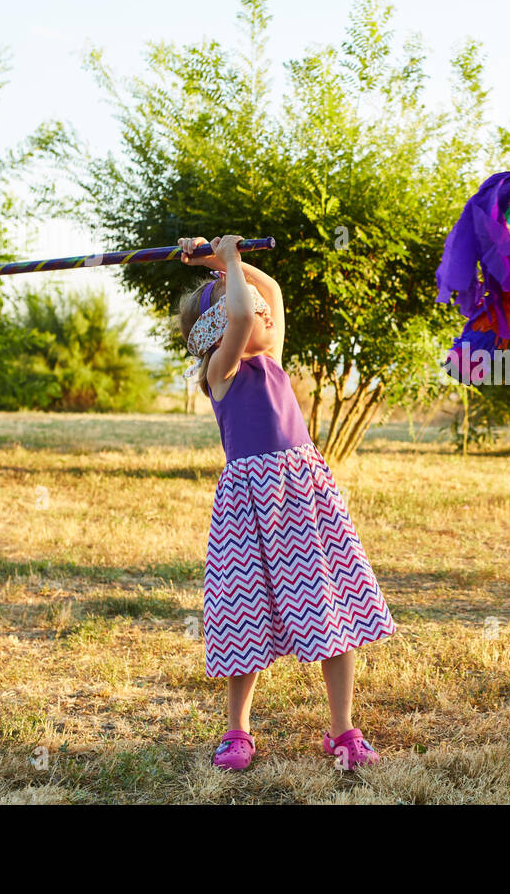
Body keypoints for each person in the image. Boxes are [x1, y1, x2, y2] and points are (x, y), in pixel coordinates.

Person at [177, 235, 395, 772]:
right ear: (222, 329)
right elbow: (243, 316)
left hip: (302, 504)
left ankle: (343, 731)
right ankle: (237, 731)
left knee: (330, 613)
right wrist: (226, 265)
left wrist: (221, 262)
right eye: (251, 311)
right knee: (246, 618)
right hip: (251, 510)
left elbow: (267, 291)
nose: (267, 314)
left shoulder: (270, 357)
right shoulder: (221, 373)